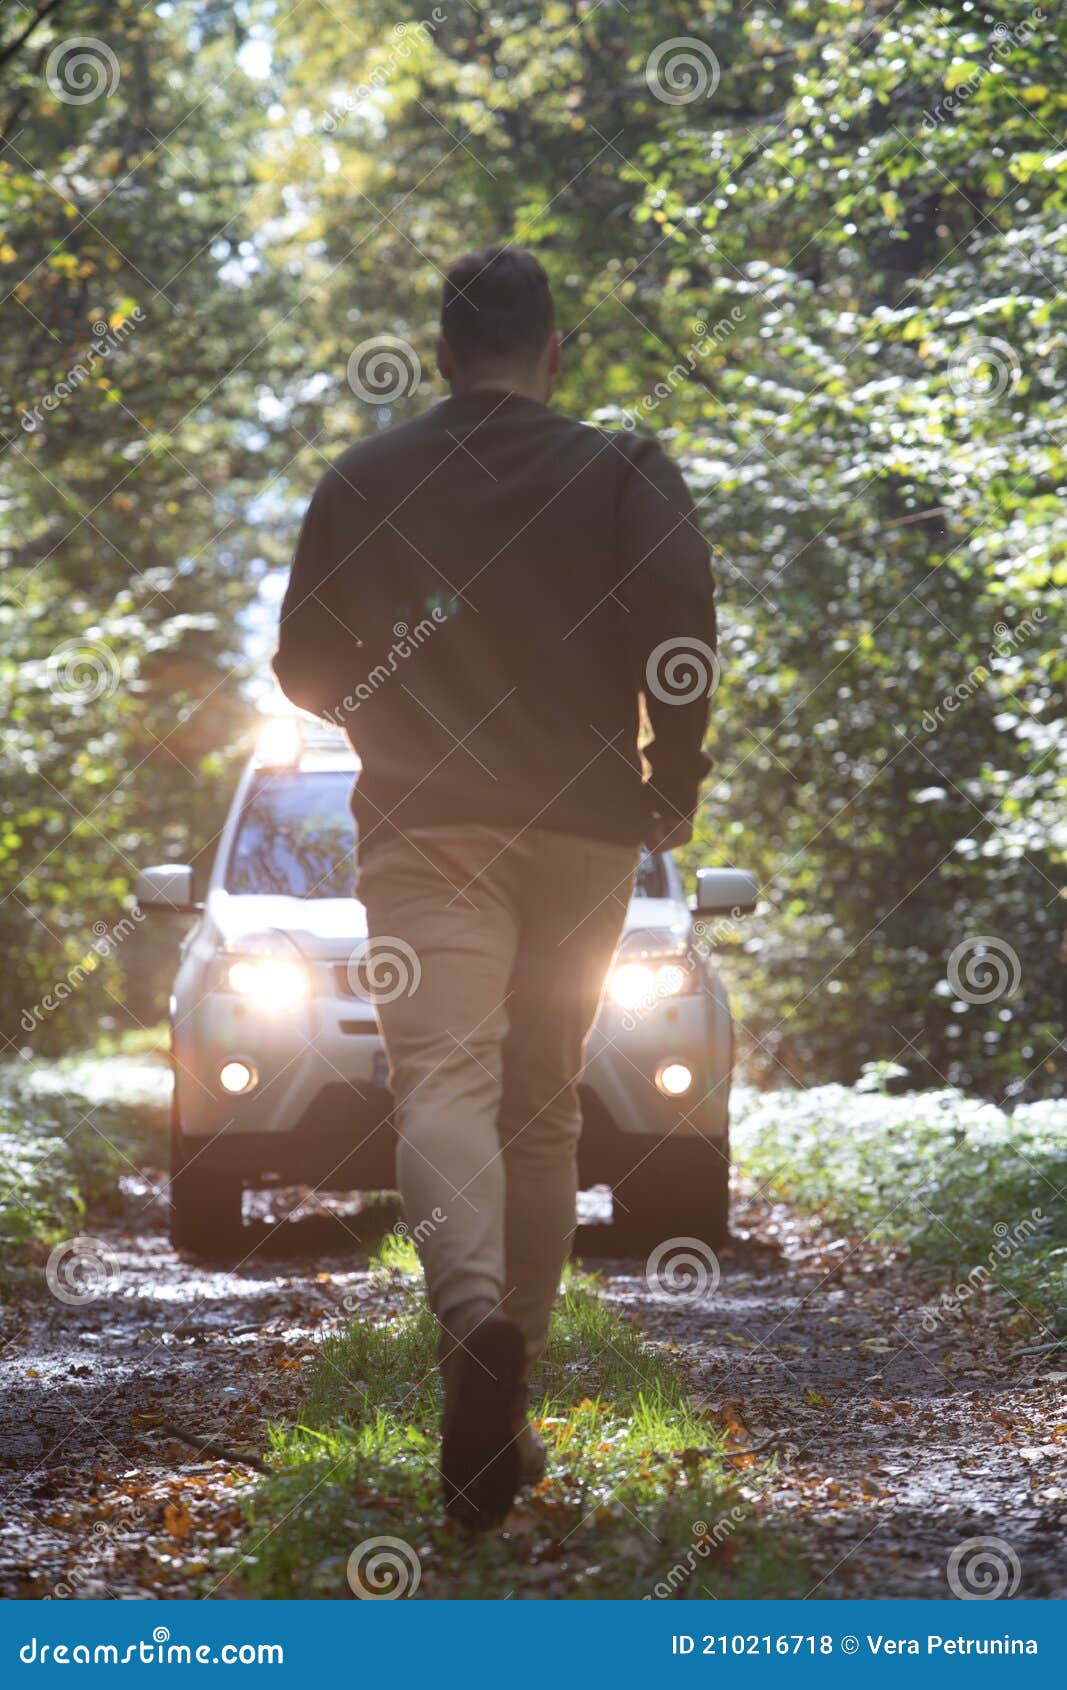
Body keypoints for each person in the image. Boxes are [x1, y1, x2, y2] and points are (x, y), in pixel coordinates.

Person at [273, 245, 716, 1527]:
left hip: (424, 828)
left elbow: (304, 668)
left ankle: (473, 1326)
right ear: (556, 349)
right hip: (583, 825)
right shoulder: (623, 468)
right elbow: (678, 622)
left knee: (445, 1078)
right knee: (540, 1104)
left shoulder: (364, 480)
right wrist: (667, 778)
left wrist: (395, 710)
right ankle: (504, 1404)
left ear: (439, 352)